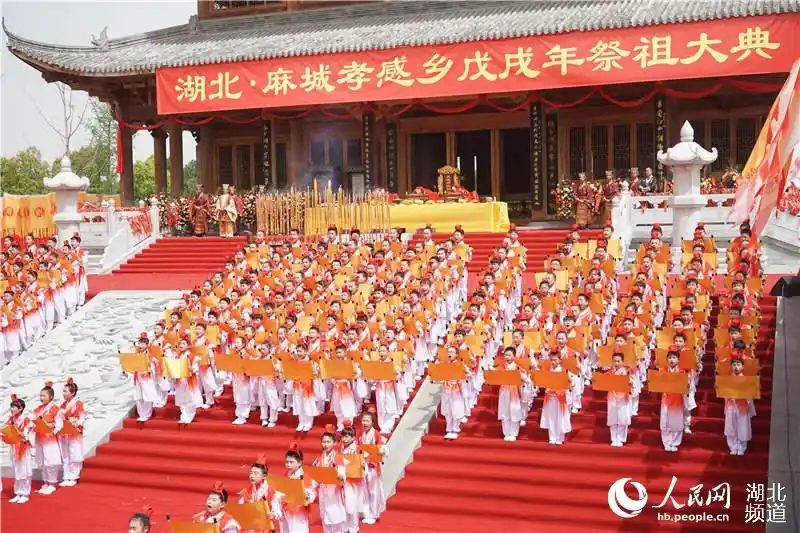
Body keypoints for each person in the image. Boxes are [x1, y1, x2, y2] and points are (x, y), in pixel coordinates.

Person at [312, 426, 348, 533]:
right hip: (323, 490)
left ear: (334, 443)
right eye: (323, 442)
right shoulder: (319, 458)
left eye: (328, 442)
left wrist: (340, 476)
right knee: (325, 516)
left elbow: (342, 471)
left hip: (334, 490)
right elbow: (316, 475)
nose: (325, 444)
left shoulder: (338, 457)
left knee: (336, 515)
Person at [275, 443, 314, 533]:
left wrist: (308, 495)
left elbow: (311, 491)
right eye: (287, 462)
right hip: (286, 509)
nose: (288, 465)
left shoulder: (305, 476)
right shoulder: (286, 475)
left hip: (298, 511)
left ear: (300, 462)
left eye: (291, 462)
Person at [33, 381, 62, 494]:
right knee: (42, 461)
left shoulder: (55, 409)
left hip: (49, 438)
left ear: (50, 396)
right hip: (40, 437)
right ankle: (45, 482)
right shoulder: (38, 409)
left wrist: (51, 426)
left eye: (43, 395)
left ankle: (52, 483)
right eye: (40, 395)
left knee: (50, 460)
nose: (41, 398)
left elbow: (59, 424)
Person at [357, 410, 386, 525]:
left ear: (372, 422)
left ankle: (374, 513)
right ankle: (366, 512)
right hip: (362, 464)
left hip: (373, 465)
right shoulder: (359, 434)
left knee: (374, 490)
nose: (364, 423)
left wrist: (373, 454)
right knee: (364, 490)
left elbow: (381, 448)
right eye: (363, 420)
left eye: (367, 421)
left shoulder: (377, 434)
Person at [5, 394, 33, 504]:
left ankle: (25, 493)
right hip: (14, 447)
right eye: (11, 406)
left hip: (23, 448)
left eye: (14, 407)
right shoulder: (11, 419)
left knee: (24, 470)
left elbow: (29, 431)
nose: (11, 409)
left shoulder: (25, 419)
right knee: (17, 470)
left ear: (21, 408)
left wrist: (24, 434)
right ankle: (18, 492)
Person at [724, 358, 756, 455]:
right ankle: (733, 446)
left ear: (742, 367)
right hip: (731, 405)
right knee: (731, 426)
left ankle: (741, 447)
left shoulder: (747, 380)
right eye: (734, 365)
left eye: (738, 364)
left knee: (742, 426)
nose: (736, 367)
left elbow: (750, 395)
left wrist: (745, 396)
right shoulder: (727, 380)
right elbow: (724, 393)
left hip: (742, 405)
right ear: (731, 367)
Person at [539, 351, 571, 445]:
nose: (553, 362)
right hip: (550, 396)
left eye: (555, 360)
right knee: (551, 417)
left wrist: (569, 381)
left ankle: (560, 437)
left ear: (560, 360)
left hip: (560, 397)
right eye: (551, 360)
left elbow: (570, 383)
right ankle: (552, 437)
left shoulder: (564, 370)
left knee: (560, 417)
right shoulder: (547, 370)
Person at [58, 377, 85, 487]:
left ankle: (74, 475)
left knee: (74, 452)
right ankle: (66, 475)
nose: (63, 393)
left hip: (74, 430)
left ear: (72, 392)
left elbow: (82, 417)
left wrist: (77, 422)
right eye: (63, 391)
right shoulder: (63, 405)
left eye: (65, 391)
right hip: (65, 431)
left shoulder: (78, 403)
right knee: (66, 453)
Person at [497, 346, 525, 442]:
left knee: (514, 411)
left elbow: (524, 379)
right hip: (504, 391)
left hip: (514, 392)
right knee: (505, 412)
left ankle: (513, 433)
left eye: (509, 355)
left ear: (514, 356)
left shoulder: (518, 368)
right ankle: (506, 432)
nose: (507, 357)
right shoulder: (501, 367)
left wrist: (523, 377)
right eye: (506, 355)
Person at [605, 351, 633, 447]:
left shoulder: (627, 372)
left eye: (618, 361)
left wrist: (630, 383)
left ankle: (620, 438)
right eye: (614, 361)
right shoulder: (609, 372)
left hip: (623, 397)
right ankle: (613, 438)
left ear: (622, 362)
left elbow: (632, 384)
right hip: (612, 396)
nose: (616, 363)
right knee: (613, 418)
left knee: (622, 418)